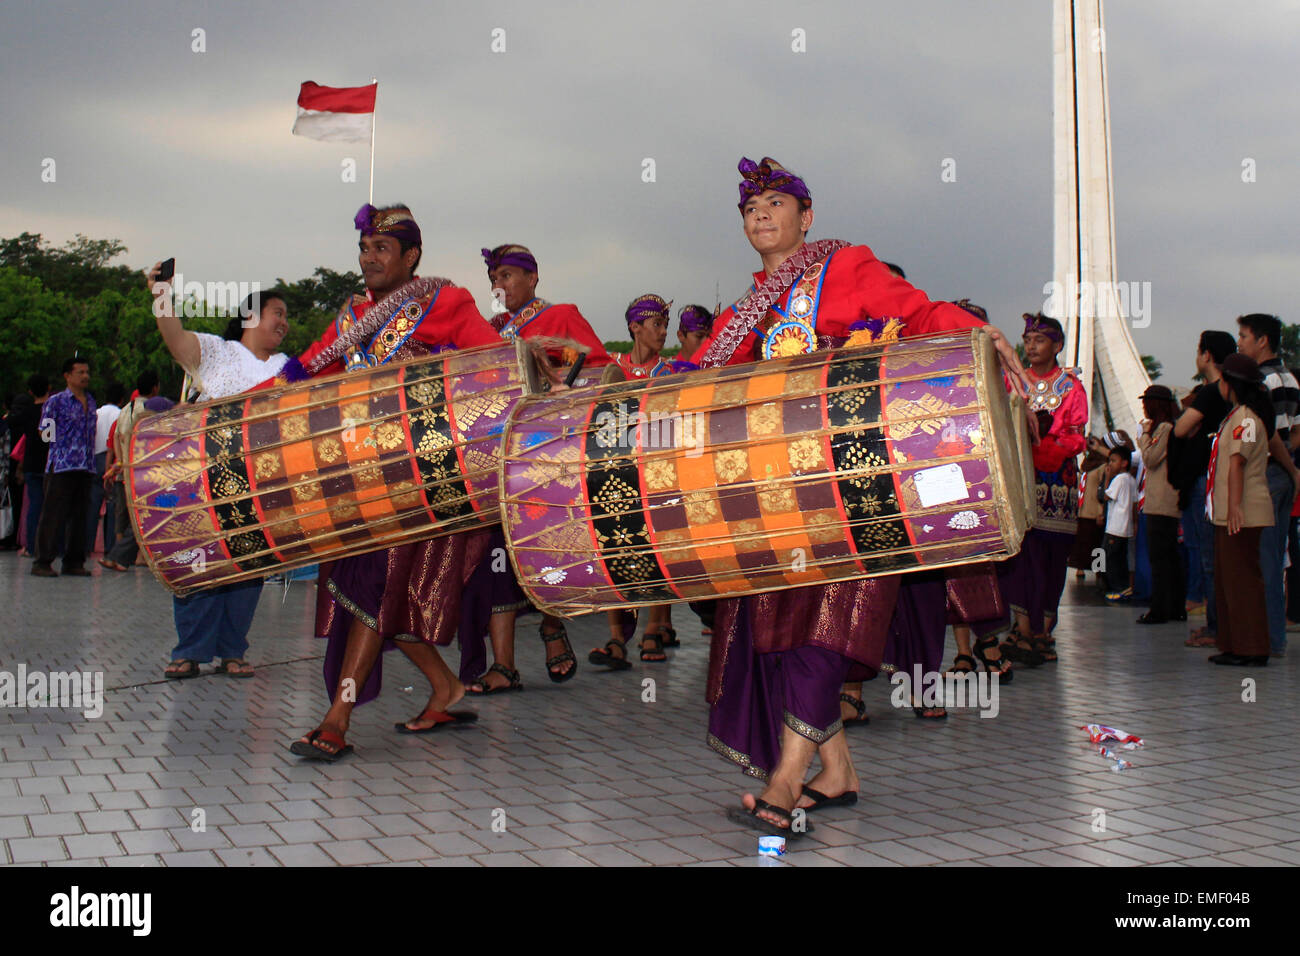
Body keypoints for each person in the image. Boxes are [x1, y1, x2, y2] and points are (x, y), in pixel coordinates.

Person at [687, 156, 1029, 836]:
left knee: (826, 630)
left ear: (806, 217)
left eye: (776, 203)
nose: (759, 213)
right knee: (778, 635)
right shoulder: (742, 313)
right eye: (749, 207)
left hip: (855, 490)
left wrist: (975, 330)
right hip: (776, 496)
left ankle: (785, 787)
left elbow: (918, 311)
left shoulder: (843, 268)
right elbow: (697, 387)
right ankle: (836, 773)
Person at [288, 203, 502, 760]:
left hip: (417, 484)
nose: (368, 258)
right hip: (353, 481)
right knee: (389, 596)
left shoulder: (446, 301)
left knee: (375, 590)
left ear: (411, 256)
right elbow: (307, 371)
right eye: (363, 248)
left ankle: (336, 720)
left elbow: (494, 366)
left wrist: (441, 367)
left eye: (381, 248)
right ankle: (446, 688)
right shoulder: (349, 317)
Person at [457, 243, 611, 694]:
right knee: (496, 561)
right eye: (493, 278)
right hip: (498, 462)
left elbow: (599, 370)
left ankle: (551, 627)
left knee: (542, 549)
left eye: (506, 275)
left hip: (547, 456)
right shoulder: (488, 331)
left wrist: (556, 382)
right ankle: (503, 666)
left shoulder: (560, 315)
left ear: (532, 278)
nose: (498, 285)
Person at [148, 264, 292, 678]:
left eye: (285, 315)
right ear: (251, 316)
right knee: (201, 562)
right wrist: (160, 292)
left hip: (259, 483)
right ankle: (190, 650)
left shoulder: (289, 367)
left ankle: (233, 650)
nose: (283, 322)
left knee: (248, 568)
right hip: (204, 480)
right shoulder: (217, 353)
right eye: (276, 312)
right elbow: (173, 335)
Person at [588, 294, 680, 668]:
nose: (662, 332)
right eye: (655, 325)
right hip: (612, 472)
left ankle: (652, 630)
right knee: (615, 550)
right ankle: (615, 638)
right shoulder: (610, 369)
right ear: (635, 327)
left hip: (652, 470)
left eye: (665, 326)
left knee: (655, 551)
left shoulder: (670, 373)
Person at [997, 313, 1087, 665]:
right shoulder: (1012, 381)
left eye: (1039, 340)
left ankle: (1043, 630)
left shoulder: (1069, 385)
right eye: (1027, 339)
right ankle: (1023, 627)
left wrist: (1046, 444)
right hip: (1022, 480)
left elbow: (1076, 434)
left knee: (1051, 558)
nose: (1031, 346)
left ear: (1057, 346)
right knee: (1023, 554)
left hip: (1057, 486)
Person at [1235, 313, 1300, 657]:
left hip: (1266, 474)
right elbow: (1295, 431)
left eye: (1244, 336)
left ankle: (1267, 637)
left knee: (1262, 559)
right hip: (1282, 474)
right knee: (1275, 556)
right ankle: (1273, 636)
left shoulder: (1261, 381)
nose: (1240, 342)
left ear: (1262, 340)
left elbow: (1269, 434)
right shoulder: (1289, 378)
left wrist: (1287, 465)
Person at [1206, 354, 1276, 665]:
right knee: (1228, 581)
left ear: (1231, 384)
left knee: (1243, 581)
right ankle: (1234, 645)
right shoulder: (1237, 415)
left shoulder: (1246, 419)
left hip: (1243, 512)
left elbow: (1237, 463)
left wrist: (1234, 507)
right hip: (1230, 511)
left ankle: (1252, 649)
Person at [1173, 332, 1237, 647]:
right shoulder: (1236, 392)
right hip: (1229, 478)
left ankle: (1216, 628)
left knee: (1209, 558)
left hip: (1205, 481)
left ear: (1207, 355)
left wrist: (1191, 422)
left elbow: (1181, 428)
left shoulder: (1211, 393)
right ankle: (1221, 624)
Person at [31, 358, 97, 578]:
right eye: (80, 372)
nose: (85, 376)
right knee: (53, 515)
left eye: (87, 372)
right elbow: (44, 432)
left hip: (85, 465)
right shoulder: (56, 402)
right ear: (68, 375)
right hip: (61, 465)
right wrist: (60, 444)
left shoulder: (91, 401)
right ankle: (42, 561)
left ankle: (74, 561)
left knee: (80, 516)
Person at [99, 371, 168, 572]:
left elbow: (117, 439)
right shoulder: (152, 409)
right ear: (155, 388)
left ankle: (121, 556)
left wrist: (119, 464)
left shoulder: (125, 411)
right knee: (144, 517)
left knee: (129, 516)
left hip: (126, 469)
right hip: (145, 470)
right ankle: (123, 556)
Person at [1137, 385, 1186, 623]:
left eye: (1146, 402)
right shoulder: (1170, 427)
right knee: (1169, 558)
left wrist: (1144, 435)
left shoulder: (1164, 429)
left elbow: (1150, 458)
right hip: (1164, 501)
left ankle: (1160, 609)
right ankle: (1175, 606)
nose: (1144, 406)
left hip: (1161, 502)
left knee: (1160, 558)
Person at [11, 374, 51, 556]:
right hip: (48, 464)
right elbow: (50, 439)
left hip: (30, 464)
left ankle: (31, 546)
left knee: (34, 505)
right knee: (48, 506)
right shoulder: (50, 411)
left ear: (30, 392)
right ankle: (46, 546)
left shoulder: (27, 412)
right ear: (49, 388)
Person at [88, 382, 124, 554]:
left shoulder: (96, 413)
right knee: (112, 505)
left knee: (92, 505)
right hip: (113, 460)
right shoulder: (121, 414)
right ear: (121, 398)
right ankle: (110, 547)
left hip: (95, 459)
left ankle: (87, 545)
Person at [1101, 444, 1137, 600]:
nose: (1110, 464)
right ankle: (1124, 587)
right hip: (1125, 527)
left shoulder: (1119, 479)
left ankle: (1115, 587)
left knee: (1108, 557)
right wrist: (1134, 523)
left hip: (1114, 527)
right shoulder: (1131, 480)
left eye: (1114, 461)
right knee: (1120, 558)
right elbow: (1135, 503)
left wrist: (1107, 478)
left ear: (1124, 463)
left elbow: (1106, 496)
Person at [613, 294, 673, 379]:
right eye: (657, 324)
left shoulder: (669, 371)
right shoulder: (612, 365)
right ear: (635, 327)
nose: (664, 332)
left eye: (665, 326)